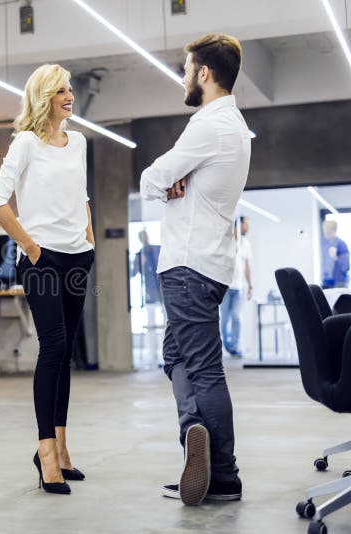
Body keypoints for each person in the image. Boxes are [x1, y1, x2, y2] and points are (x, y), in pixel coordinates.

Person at [139, 34, 250, 506]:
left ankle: (221, 473)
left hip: (188, 264)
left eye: (186, 69)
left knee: (203, 369)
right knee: (176, 357)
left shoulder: (208, 125)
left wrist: (164, 184)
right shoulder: (234, 125)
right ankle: (196, 434)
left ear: (204, 73)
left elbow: (151, 178)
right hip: (209, 264)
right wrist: (172, 183)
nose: (184, 77)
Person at [0, 64, 95, 495]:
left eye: (70, 89)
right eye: (60, 91)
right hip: (42, 260)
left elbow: (82, 197)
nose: (70, 96)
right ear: (43, 97)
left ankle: (63, 450)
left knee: (65, 352)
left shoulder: (79, 142)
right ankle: (45, 452)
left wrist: (89, 240)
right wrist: (31, 247)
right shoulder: (26, 143)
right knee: (52, 348)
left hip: (78, 257)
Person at [220, 217, 252, 357]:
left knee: (236, 316)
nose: (248, 227)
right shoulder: (226, 241)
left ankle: (233, 346)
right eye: (246, 224)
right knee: (224, 319)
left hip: (239, 287)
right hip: (225, 287)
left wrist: (250, 285)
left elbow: (247, 266)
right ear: (238, 225)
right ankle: (227, 345)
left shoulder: (246, 244)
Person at [131, 230, 164, 366]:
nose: (144, 239)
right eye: (142, 237)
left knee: (165, 325)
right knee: (150, 325)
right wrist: (140, 263)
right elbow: (133, 273)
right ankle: (152, 355)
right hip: (149, 294)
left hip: (162, 293)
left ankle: (164, 355)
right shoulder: (140, 254)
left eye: (145, 236)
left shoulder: (158, 249)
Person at [321, 219, 350, 289]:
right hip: (325, 280)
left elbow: (345, 266)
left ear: (335, 230)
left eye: (329, 230)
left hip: (339, 281)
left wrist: (335, 258)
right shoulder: (320, 242)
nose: (326, 232)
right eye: (325, 230)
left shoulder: (341, 244)